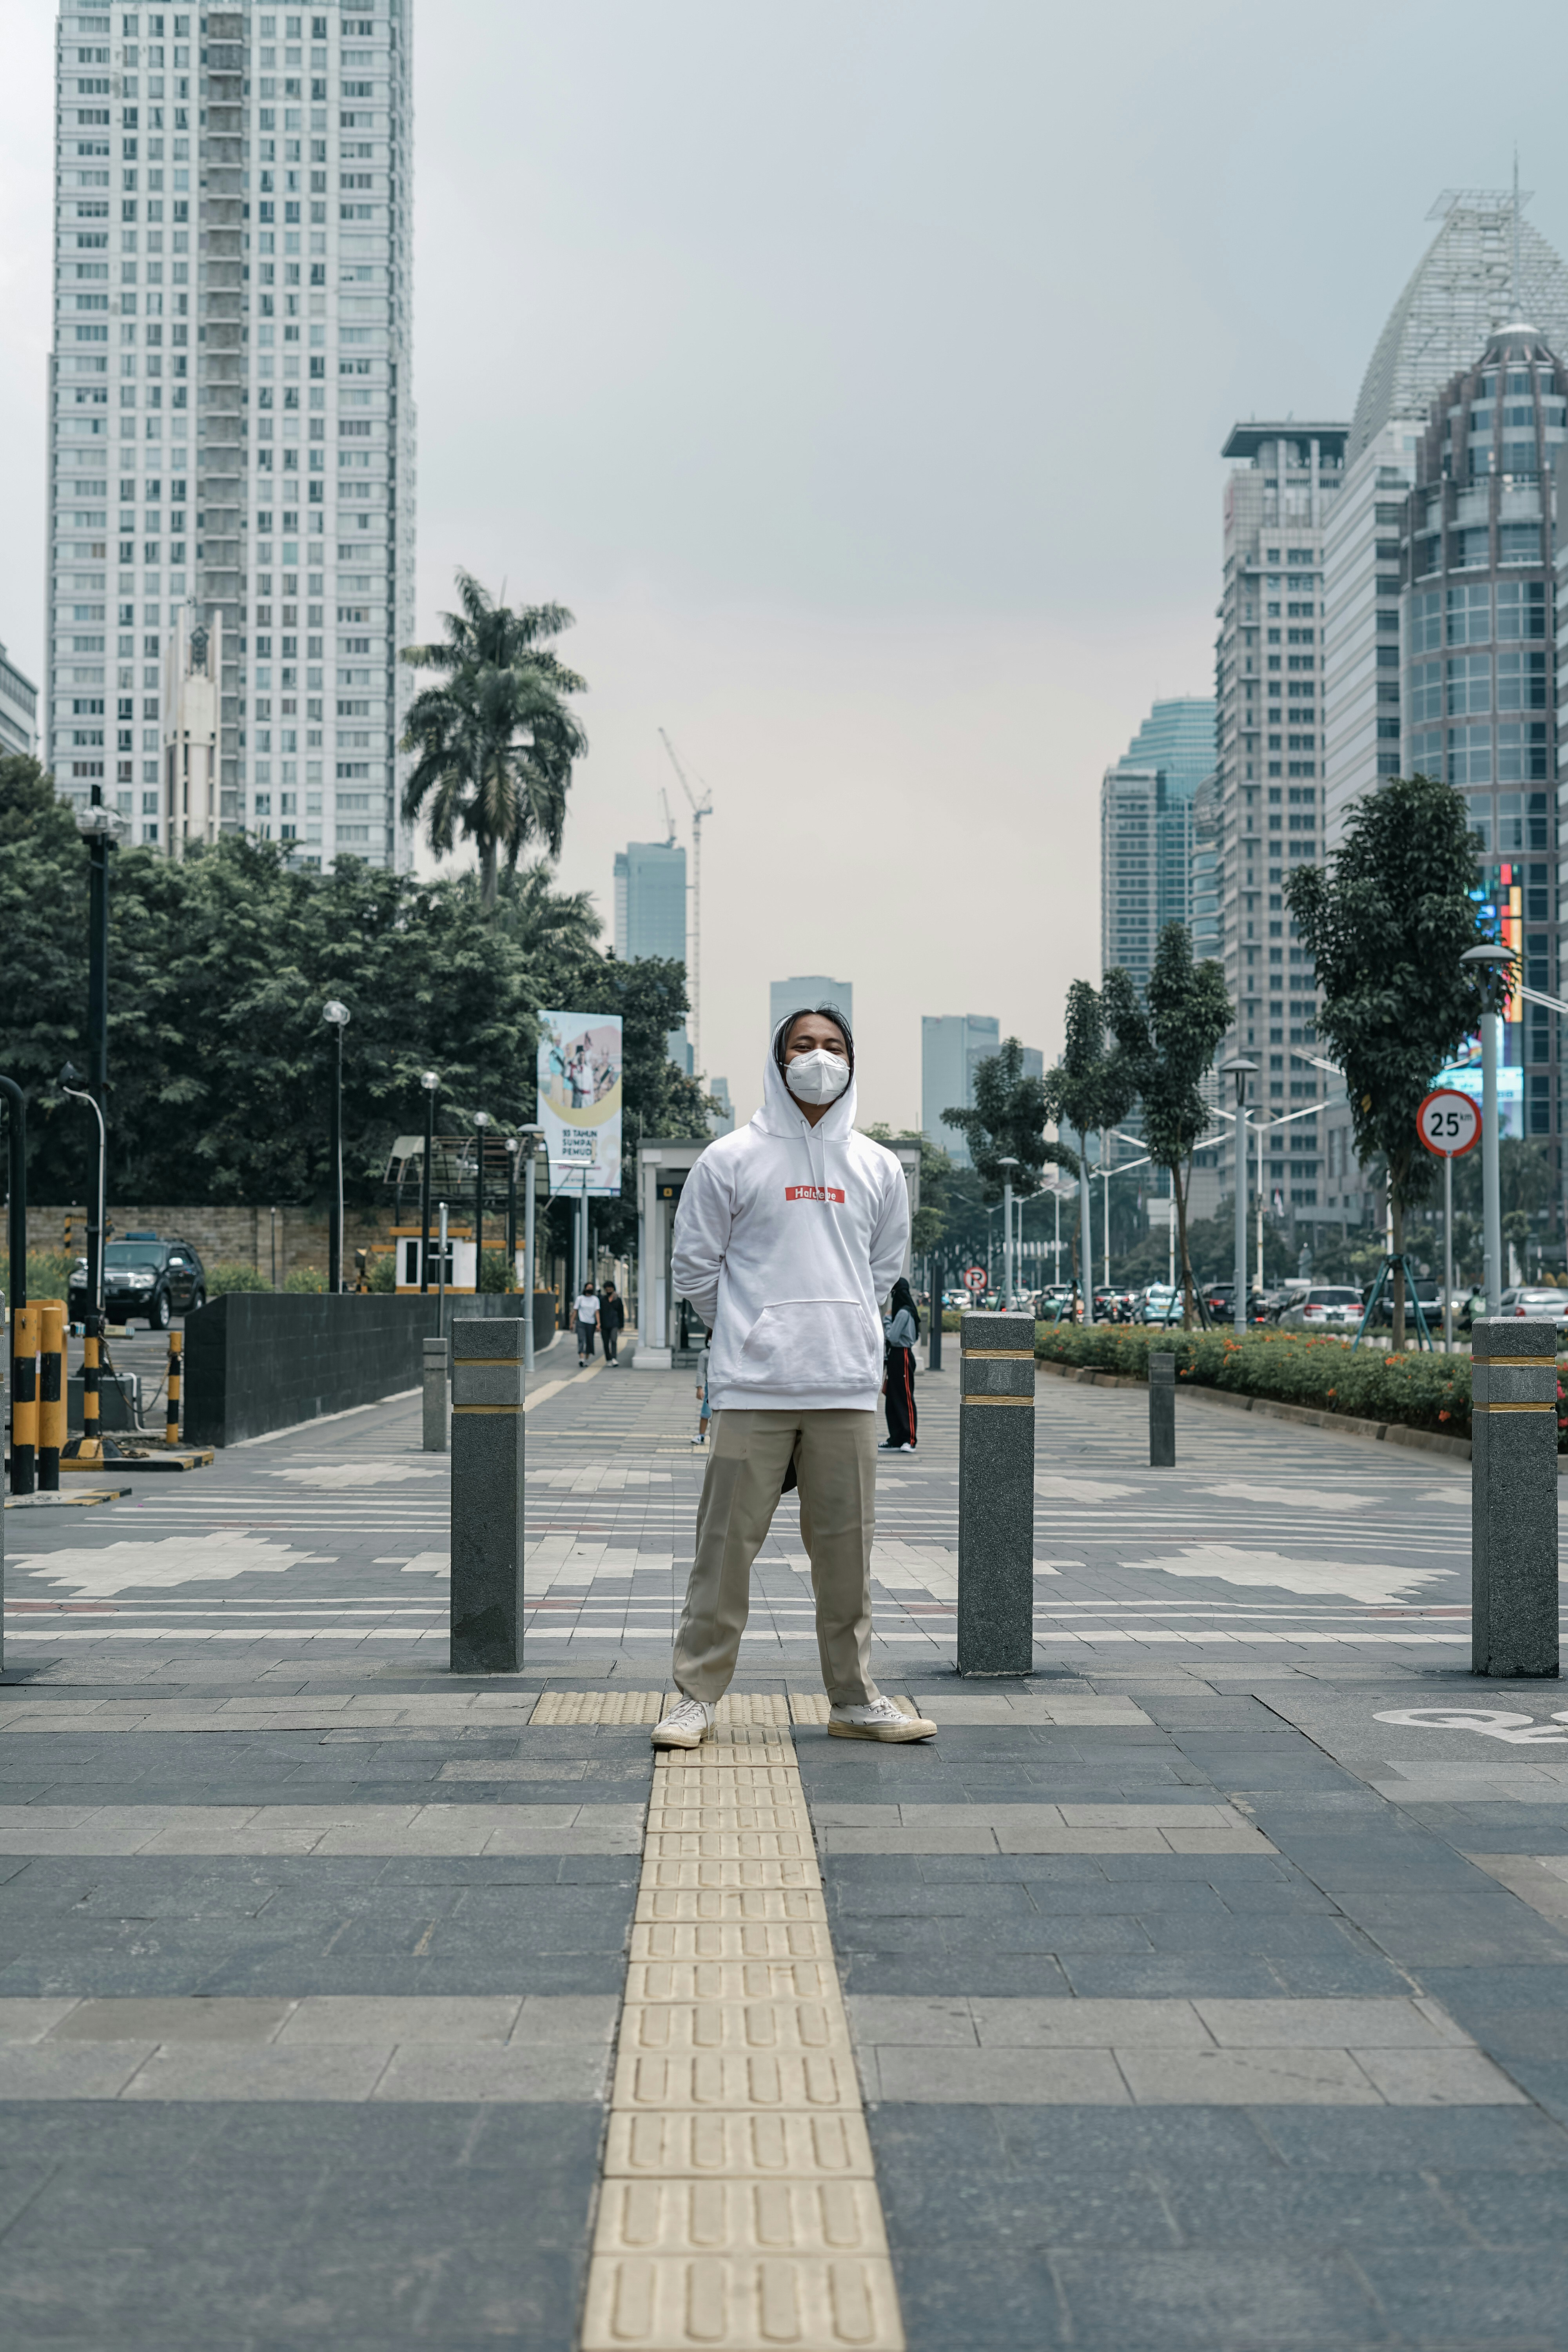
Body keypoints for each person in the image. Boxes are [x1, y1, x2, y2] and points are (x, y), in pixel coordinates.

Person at [651, 1005, 937, 1750]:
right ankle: (694, 1698)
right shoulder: (731, 1159)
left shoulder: (876, 1166)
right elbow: (694, 1269)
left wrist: (839, 1330)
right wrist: (752, 1332)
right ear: (779, 1061)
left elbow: (884, 1272)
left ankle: (854, 1698)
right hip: (754, 1391)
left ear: (853, 1060)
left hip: (844, 1388)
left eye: (834, 1046)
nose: (819, 1057)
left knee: (848, 1560)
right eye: (804, 1045)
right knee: (724, 1554)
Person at [880, 1275, 919, 1453]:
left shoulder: (903, 1313)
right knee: (893, 1398)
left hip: (902, 1354)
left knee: (904, 1397)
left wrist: (888, 1320)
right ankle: (895, 1438)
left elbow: (893, 1337)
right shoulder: (906, 1311)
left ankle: (909, 1439)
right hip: (897, 1355)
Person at [573, 1283, 600, 1365]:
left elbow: (597, 1312)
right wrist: (572, 1323)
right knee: (581, 1339)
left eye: (591, 1288)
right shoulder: (580, 1299)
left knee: (589, 1340)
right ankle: (581, 1359)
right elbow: (575, 1311)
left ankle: (587, 1359)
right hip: (581, 1322)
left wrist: (599, 1324)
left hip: (591, 1323)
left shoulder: (595, 1299)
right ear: (585, 1288)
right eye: (588, 1288)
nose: (590, 1289)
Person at [599, 1281, 624, 1365]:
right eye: (607, 1288)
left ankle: (614, 1358)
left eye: (611, 1288)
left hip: (614, 1324)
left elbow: (621, 1313)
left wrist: (621, 1326)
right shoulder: (602, 1300)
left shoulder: (618, 1300)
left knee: (614, 1340)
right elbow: (599, 1312)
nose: (609, 1289)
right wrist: (598, 1324)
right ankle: (609, 1359)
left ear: (613, 1289)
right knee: (606, 1343)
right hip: (604, 1324)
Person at [692, 1336, 710, 1448]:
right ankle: (701, 1436)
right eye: (711, 1337)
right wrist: (699, 1388)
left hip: (725, 1385)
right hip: (711, 1385)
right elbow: (700, 1372)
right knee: (706, 1410)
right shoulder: (704, 1354)